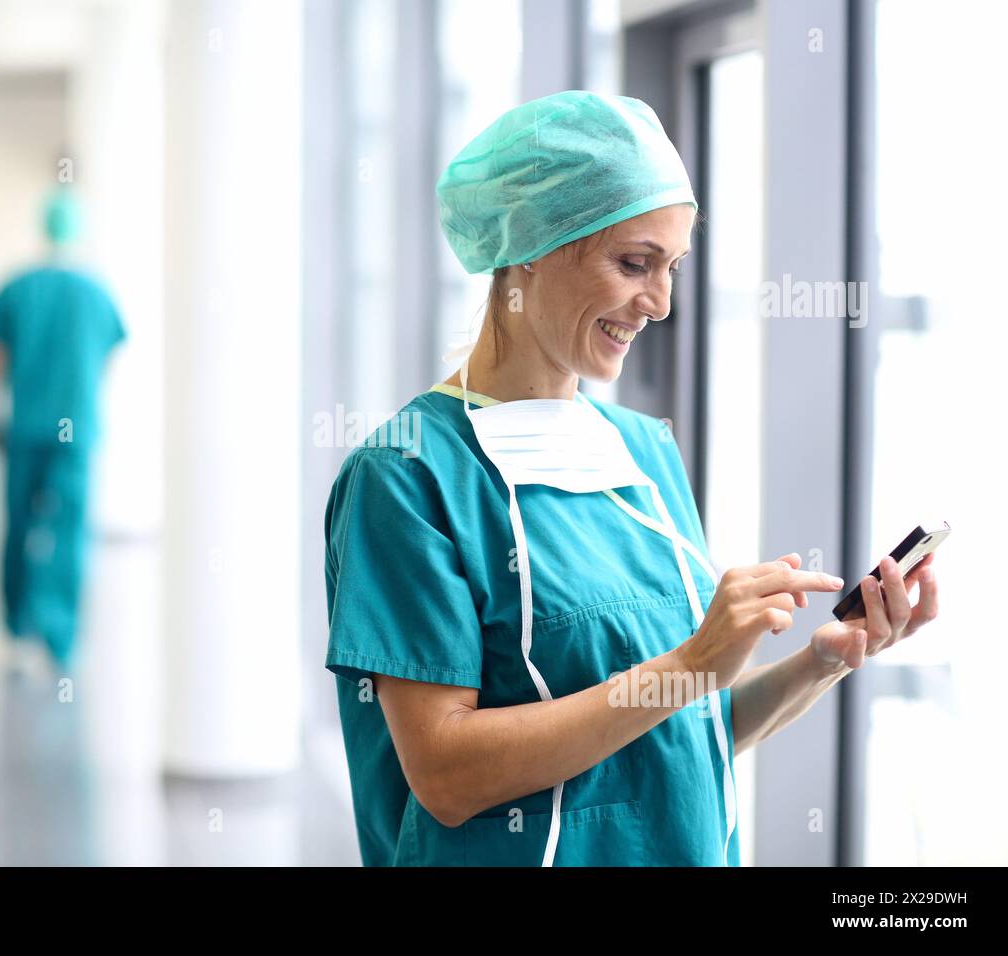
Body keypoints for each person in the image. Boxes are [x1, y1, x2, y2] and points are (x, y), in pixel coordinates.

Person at [323, 91, 941, 867]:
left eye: (674, 268)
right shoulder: (407, 479)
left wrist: (821, 660)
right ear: (532, 248)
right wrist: (686, 666)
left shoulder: (642, 453)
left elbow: (676, 749)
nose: (661, 303)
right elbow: (445, 775)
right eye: (634, 263)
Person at [0, 189, 126, 669]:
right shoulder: (96, 293)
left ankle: (18, 629)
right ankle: (59, 637)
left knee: (19, 523)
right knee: (68, 529)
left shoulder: (16, 288)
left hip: (25, 427)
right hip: (76, 428)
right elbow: (104, 360)